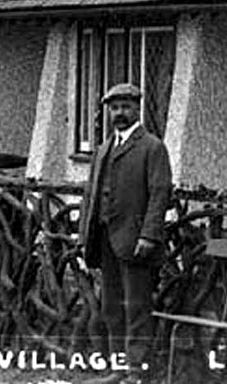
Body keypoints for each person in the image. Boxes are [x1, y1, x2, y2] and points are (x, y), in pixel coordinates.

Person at [78, 83, 173, 384]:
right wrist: (84, 238)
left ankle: (138, 371)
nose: (119, 113)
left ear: (137, 109)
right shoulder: (104, 149)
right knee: (111, 307)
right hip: (106, 239)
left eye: (125, 107)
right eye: (114, 108)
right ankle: (118, 368)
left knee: (137, 307)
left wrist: (149, 234)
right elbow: (90, 196)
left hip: (135, 242)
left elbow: (160, 193)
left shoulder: (152, 147)